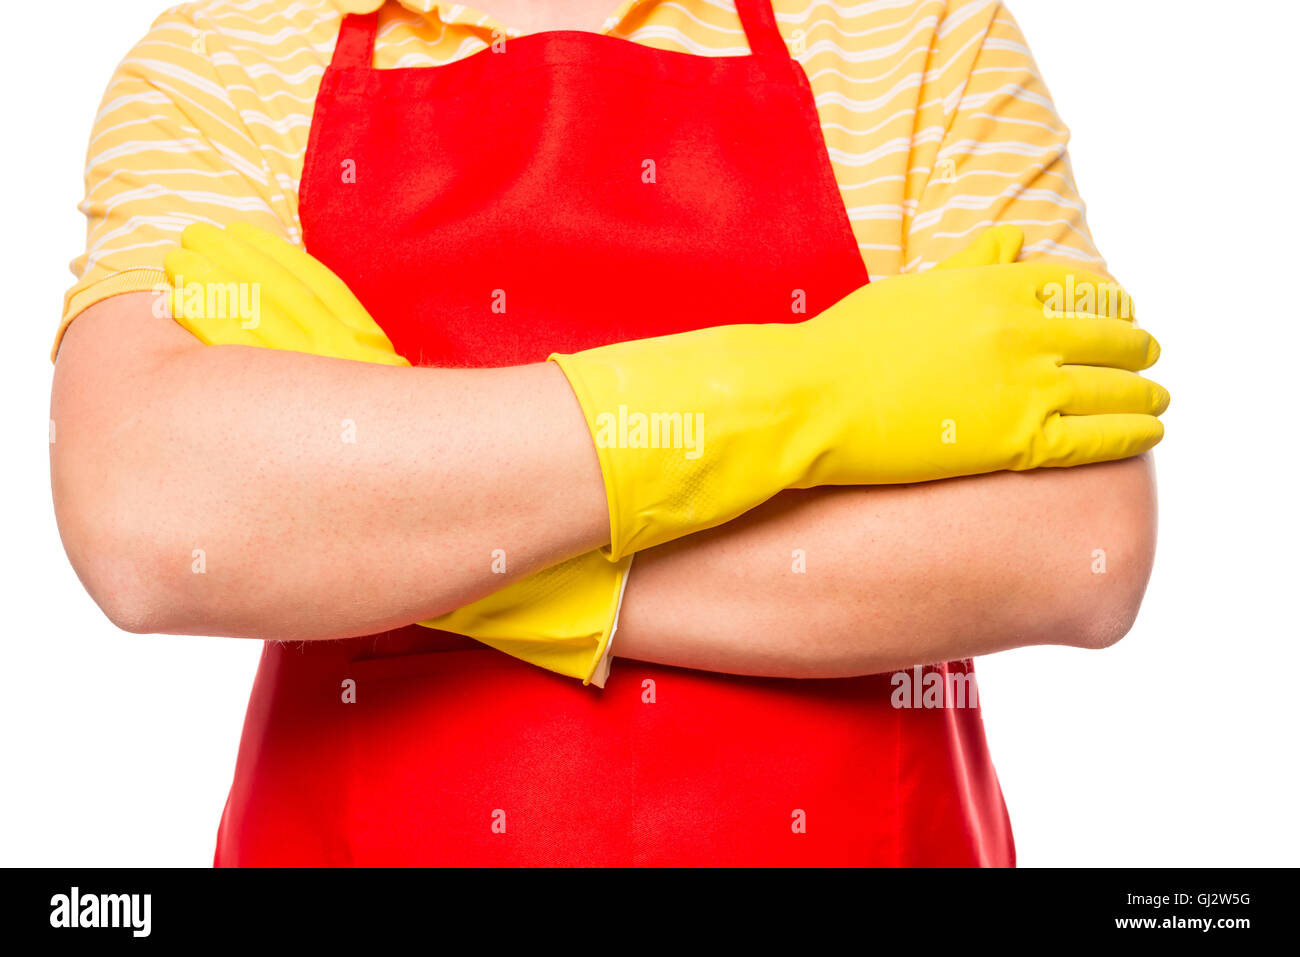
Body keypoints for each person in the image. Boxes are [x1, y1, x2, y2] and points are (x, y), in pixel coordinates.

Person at [50, 0, 1166, 865]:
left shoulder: (918, 36)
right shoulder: (223, 61)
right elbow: (146, 515)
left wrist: (392, 528)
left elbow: (1079, 549)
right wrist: (820, 387)